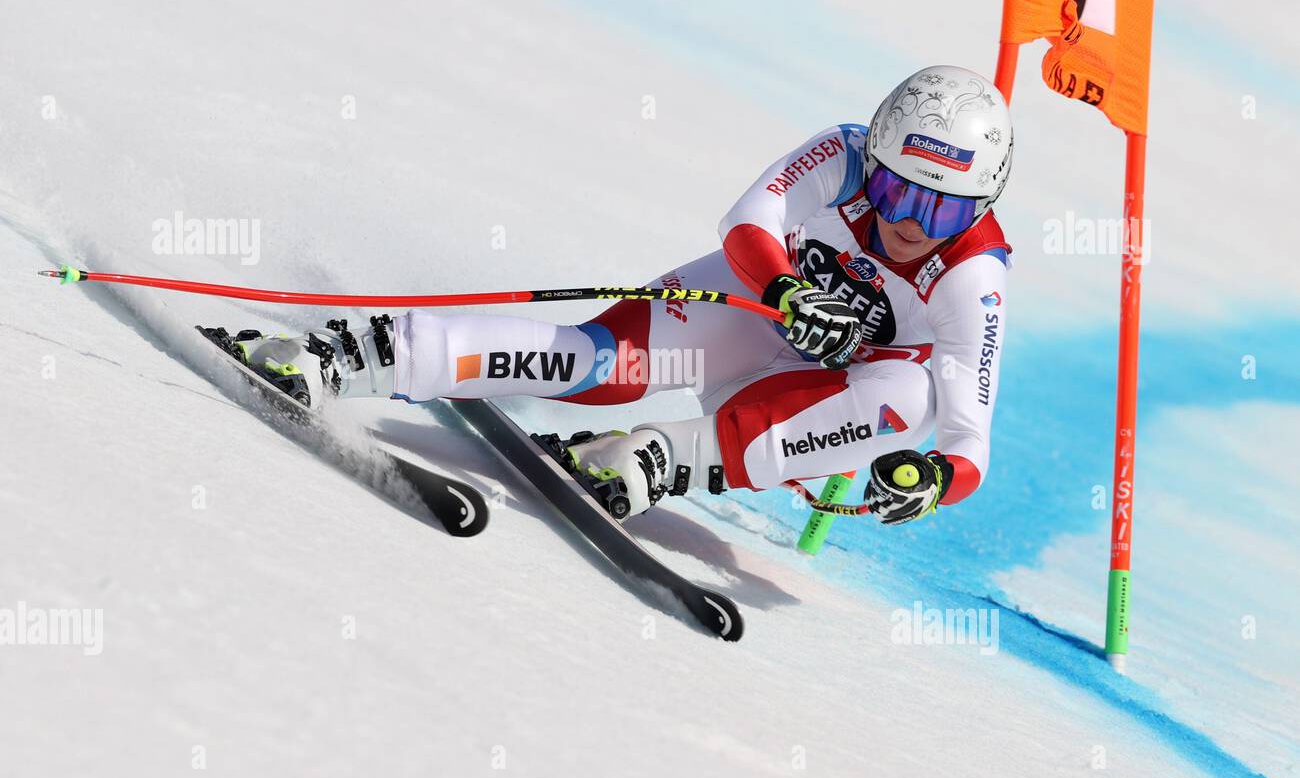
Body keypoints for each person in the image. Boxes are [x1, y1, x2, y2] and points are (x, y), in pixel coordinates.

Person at [227, 65, 1013, 526]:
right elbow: (748, 218)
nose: (908, 222)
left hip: (814, 394)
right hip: (755, 310)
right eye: (895, 190)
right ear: (872, 158)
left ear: (978, 208)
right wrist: (784, 290)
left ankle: (660, 458)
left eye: (940, 209)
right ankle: (349, 354)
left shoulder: (975, 277)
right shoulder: (841, 154)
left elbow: (967, 433)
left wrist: (934, 481)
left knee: (911, 397)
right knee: (600, 364)